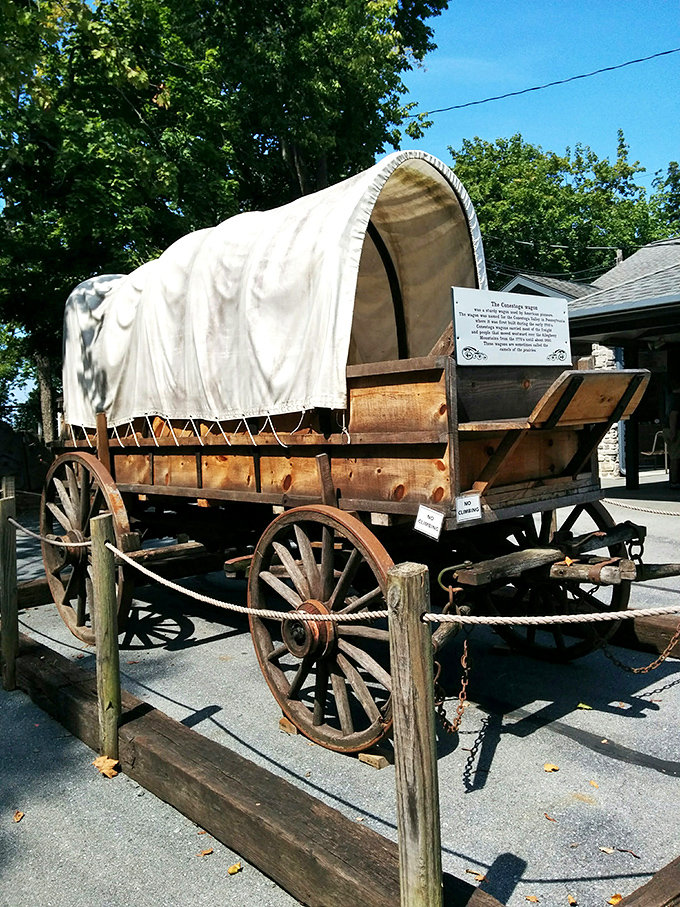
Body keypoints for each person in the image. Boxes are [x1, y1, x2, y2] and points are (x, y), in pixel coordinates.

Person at [664, 384, 680, 488]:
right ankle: (674, 481)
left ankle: (674, 480)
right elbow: (673, 416)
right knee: (676, 457)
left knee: (675, 456)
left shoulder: (669, 398)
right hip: (674, 430)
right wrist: (673, 432)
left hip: (669, 429)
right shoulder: (676, 399)